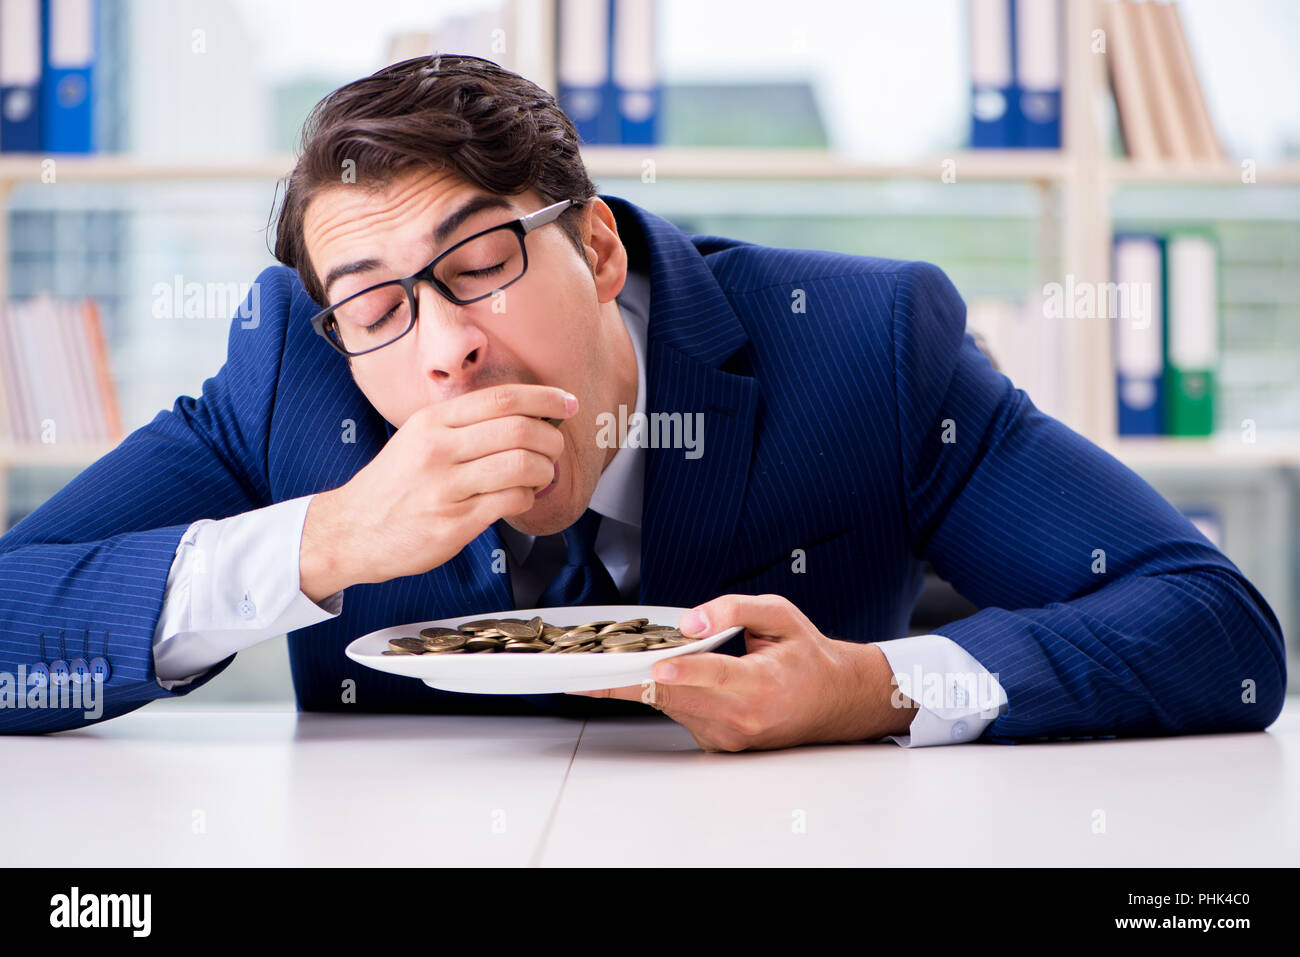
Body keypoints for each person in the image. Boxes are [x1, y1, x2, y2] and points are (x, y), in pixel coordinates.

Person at [0, 55, 1285, 748]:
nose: (441, 348)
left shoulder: (863, 345)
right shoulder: (294, 364)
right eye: (379, 301)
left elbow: (1214, 625)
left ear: (599, 252)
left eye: (482, 262)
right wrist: (319, 544)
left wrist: (877, 687)